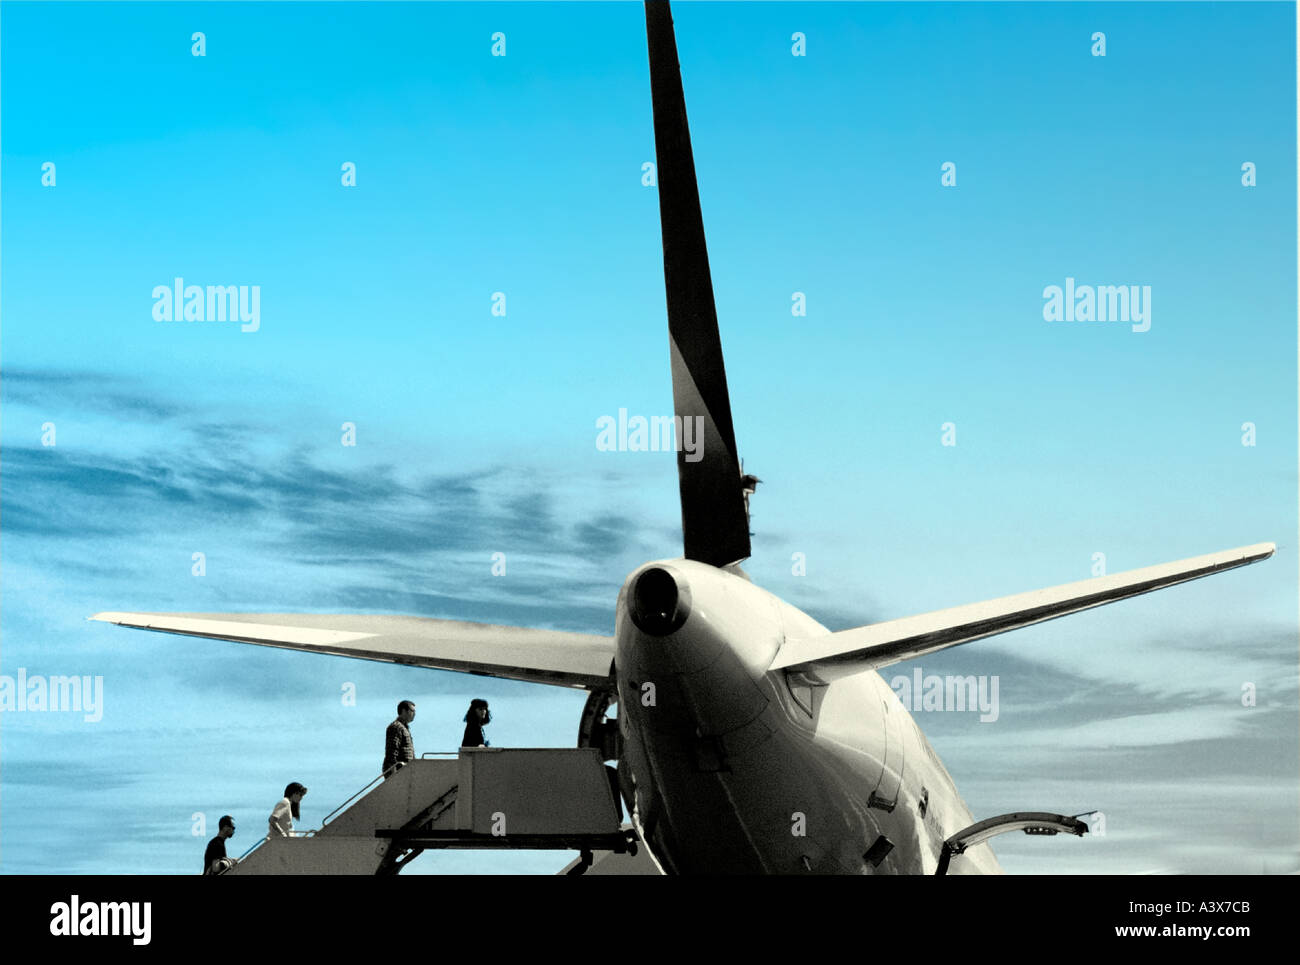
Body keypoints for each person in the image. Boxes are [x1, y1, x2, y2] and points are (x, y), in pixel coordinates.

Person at [383, 700, 417, 777]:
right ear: (404, 711)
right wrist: (393, 774)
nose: (414, 714)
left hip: (407, 770)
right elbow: (392, 752)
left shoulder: (404, 728)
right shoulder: (396, 727)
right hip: (399, 771)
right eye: (412, 711)